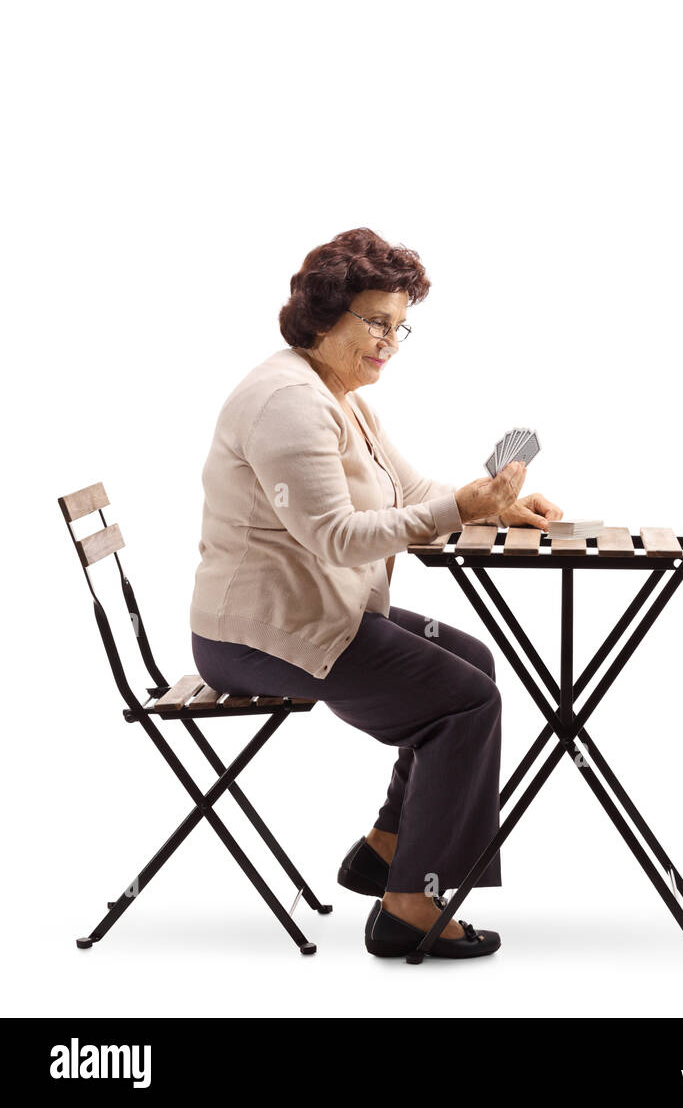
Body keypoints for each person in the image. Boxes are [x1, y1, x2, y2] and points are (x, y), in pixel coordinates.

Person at [189, 226, 562, 959]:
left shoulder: (341, 394)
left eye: (400, 326)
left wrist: (490, 502)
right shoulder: (287, 402)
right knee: (466, 703)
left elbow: (410, 491)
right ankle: (410, 906)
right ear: (324, 312)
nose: (390, 341)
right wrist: (462, 508)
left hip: (318, 612)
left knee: (472, 663)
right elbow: (336, 535)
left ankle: (388, 845)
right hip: (260, 634)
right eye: (376, 322)